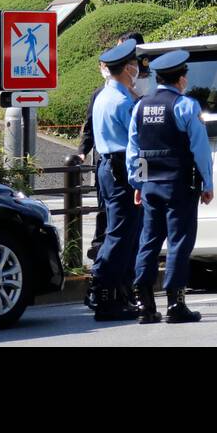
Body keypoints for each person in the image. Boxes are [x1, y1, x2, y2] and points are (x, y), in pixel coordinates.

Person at [127, 49, 214, 325]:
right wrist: (208, 182)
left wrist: (137, 182)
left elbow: (134, 149)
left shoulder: (140, 106)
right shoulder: (186, 106)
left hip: (150, 184)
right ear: (182, 79)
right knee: (179, 241)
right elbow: (200, 150)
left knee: (149, 240)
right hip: (179, 185)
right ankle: (176, 304)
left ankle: (143, 302)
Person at [89, 38, 145, 321]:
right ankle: (103, 289)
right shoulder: (124, 102)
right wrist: (142, 182)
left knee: (118, 231)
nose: (137, 69)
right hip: (124, 168)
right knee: (123, 234)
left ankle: (115, 295)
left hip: (108, 168)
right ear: (125, 69)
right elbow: (138, 146)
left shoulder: (104, 96)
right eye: (133, 64)